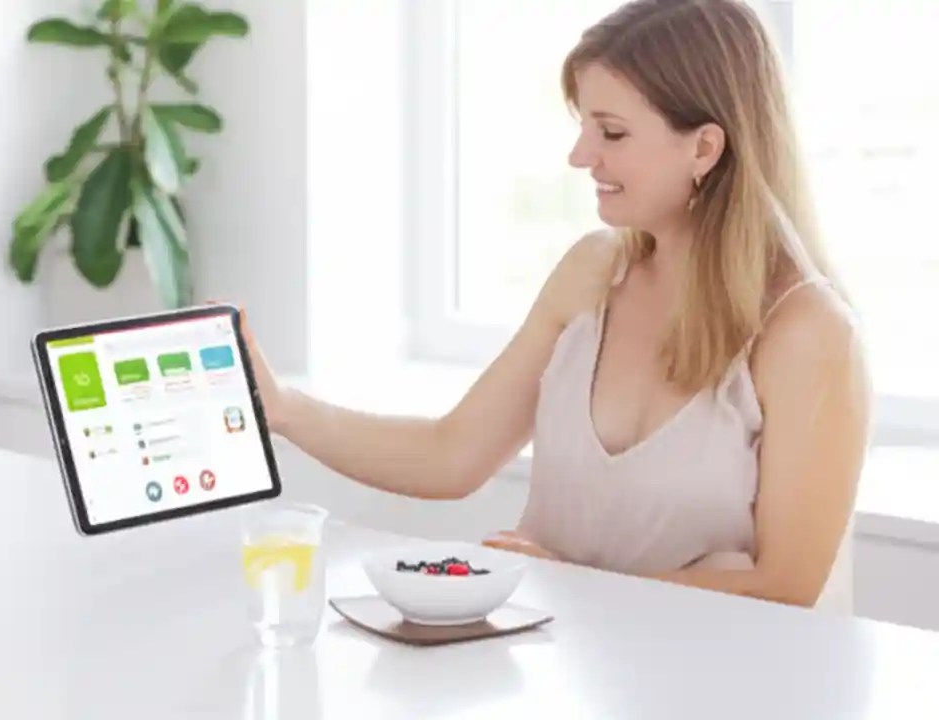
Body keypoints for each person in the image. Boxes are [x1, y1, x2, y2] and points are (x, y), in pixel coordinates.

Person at [238, 0, 870, 608]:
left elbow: (785, 586)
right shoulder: (593, 273)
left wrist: (577, 588)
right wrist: (284, 410)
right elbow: (451, 454)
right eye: (584, 126)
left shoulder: (807, 331)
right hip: (563, 671)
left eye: (612, 132)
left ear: (705, 147)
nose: (580, 156)